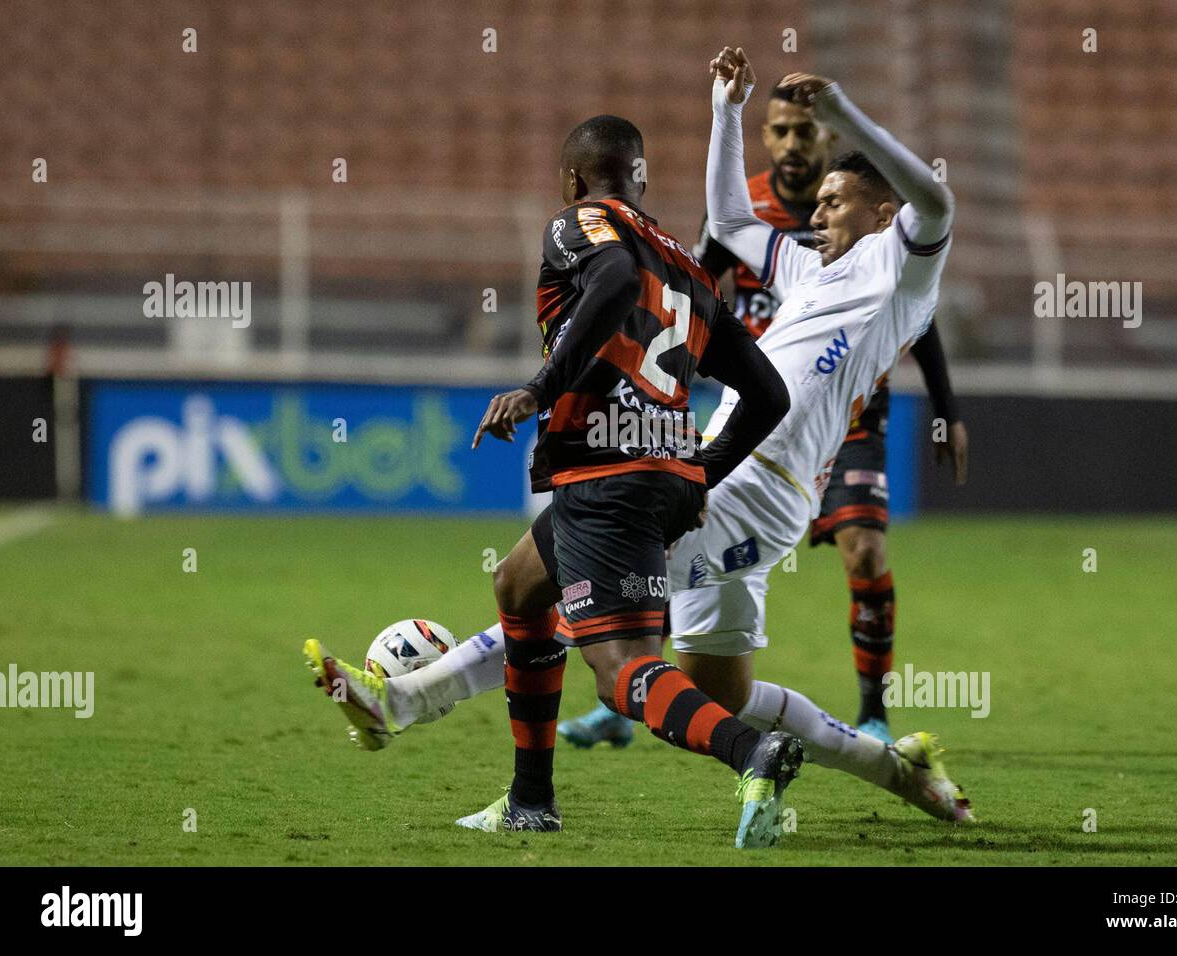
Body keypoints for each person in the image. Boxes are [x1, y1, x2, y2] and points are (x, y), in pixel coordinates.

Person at [306, 111, 812, 849]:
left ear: (574, 179)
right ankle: (530, 799)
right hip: (661, 473)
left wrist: (540, 389)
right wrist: (700, 471)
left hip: (606, 474)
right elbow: (769, 394)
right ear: (640, 176)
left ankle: (750, 750)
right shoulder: (687, 265)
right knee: (518, 584)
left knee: (622, 676)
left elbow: (610, 278)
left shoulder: (581, 225)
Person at [562, 78, 968, 749]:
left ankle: (427, 696)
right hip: (737, 451)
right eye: (820, 201)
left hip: (788, 463)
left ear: (880, 212)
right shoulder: (806, 267)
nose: (816, 212)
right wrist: (725, 109)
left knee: (589, 573)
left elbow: (936, 202)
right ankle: (876, 761)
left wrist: (843, 110)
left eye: (833, 202)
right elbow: (726, 225)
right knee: (720, 684)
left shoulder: (898, 261)